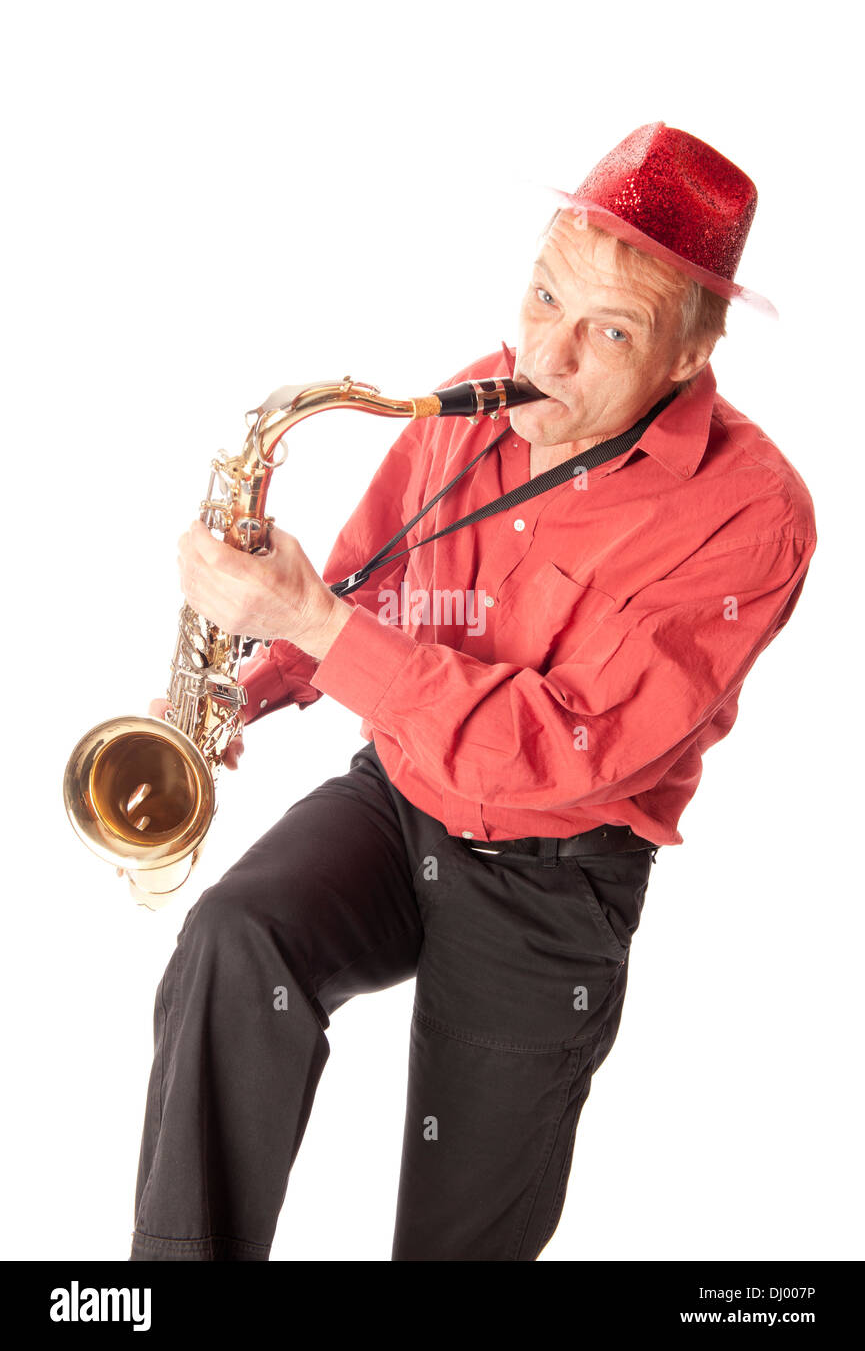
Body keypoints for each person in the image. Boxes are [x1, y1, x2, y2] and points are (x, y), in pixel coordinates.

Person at [129, 122, 817, 1262]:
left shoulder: (750, 516)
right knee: (234, 936)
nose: (548, 354)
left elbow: (563, 747)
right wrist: (249, 679)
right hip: (399, 801)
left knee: (456, 1241)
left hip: (553, 876)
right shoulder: (473, 401)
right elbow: (370, 580)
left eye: (610, 331)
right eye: (544, 297)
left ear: (689, 355)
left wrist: (316, 620)